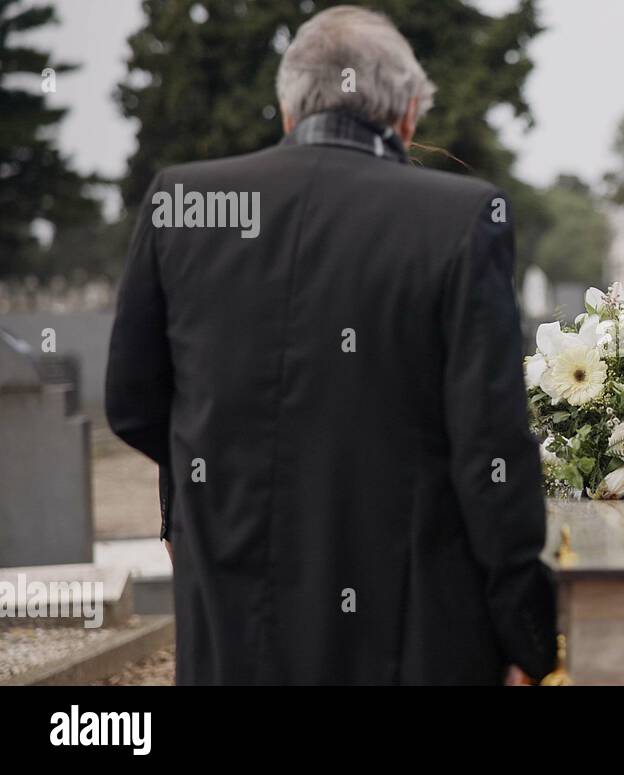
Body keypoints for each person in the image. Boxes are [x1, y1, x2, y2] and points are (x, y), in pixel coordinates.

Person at [105, 5, 555, 685]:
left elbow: (135, 403)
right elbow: (489, 446)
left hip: (232, 614)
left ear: (289, 111)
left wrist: (197, 510)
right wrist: (530, 632)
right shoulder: (461, 219)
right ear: (407, 114)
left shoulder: (183, 203)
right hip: (412, 629)